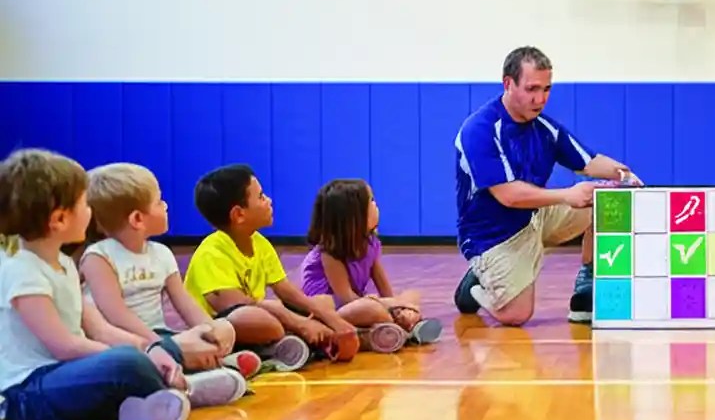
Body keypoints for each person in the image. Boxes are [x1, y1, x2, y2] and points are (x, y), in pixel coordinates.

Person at [0, 149, 218, 420]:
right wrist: (137, 357)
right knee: (124, 363)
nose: (91, 213)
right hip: (28, 393)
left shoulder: (64, 264)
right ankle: (182, 389)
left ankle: (145, 406)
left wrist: (149, 349)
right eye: (84, 205)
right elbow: (65, 346)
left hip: (69, 375)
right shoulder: (22, 270)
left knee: (145, 351)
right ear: (59, 220)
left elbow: (101, 330)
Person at [452, 46, 639, 326]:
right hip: (492, 236)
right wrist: (567, 195)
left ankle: (587, 282)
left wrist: (626, 175)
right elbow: (508, 196)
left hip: (536, 216)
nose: (540, 99)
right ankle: (477, 283)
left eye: (547, 89)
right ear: (508, 84)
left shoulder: (545, 128)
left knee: (607, 201)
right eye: (532, 89)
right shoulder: (479, 130)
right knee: (516, 316)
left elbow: (589, 162)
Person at [80, 162, 262, 382]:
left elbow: (184, 302)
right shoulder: (99, 257)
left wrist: (211, 328)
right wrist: (156, 343)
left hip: (160, 333)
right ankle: (196, 378)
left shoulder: (161, 254)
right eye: (158, 201)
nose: (165, 206)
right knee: (165, 350)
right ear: (137, 219)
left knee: (223, 328)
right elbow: (116, 314)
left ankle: (207, 367)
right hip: (123, 342)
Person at [183, 164, 358, 369]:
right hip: (225, 328)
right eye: (260, 197)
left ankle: (296, 343)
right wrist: (300, 323)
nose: (269, 201)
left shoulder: (260, 243)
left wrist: (328, 318)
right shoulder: (211, 253)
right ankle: (268, 349)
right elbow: (235, 309)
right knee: (259, 316)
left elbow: (287, 291)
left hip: (263, 318)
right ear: (239, 214)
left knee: (323, 302)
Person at [299, 179, 443, 353]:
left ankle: (392, 329)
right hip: (333, 310)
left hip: (358, 303)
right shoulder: (329, 253)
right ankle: (402, 330)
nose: (376, 206)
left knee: (412, 295)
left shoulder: (371, 243)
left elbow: (384, 286)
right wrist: (389, 304)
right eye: (371, 201)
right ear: (353, 216)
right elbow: (345, 298)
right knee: (372, 309)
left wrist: (400, 306)